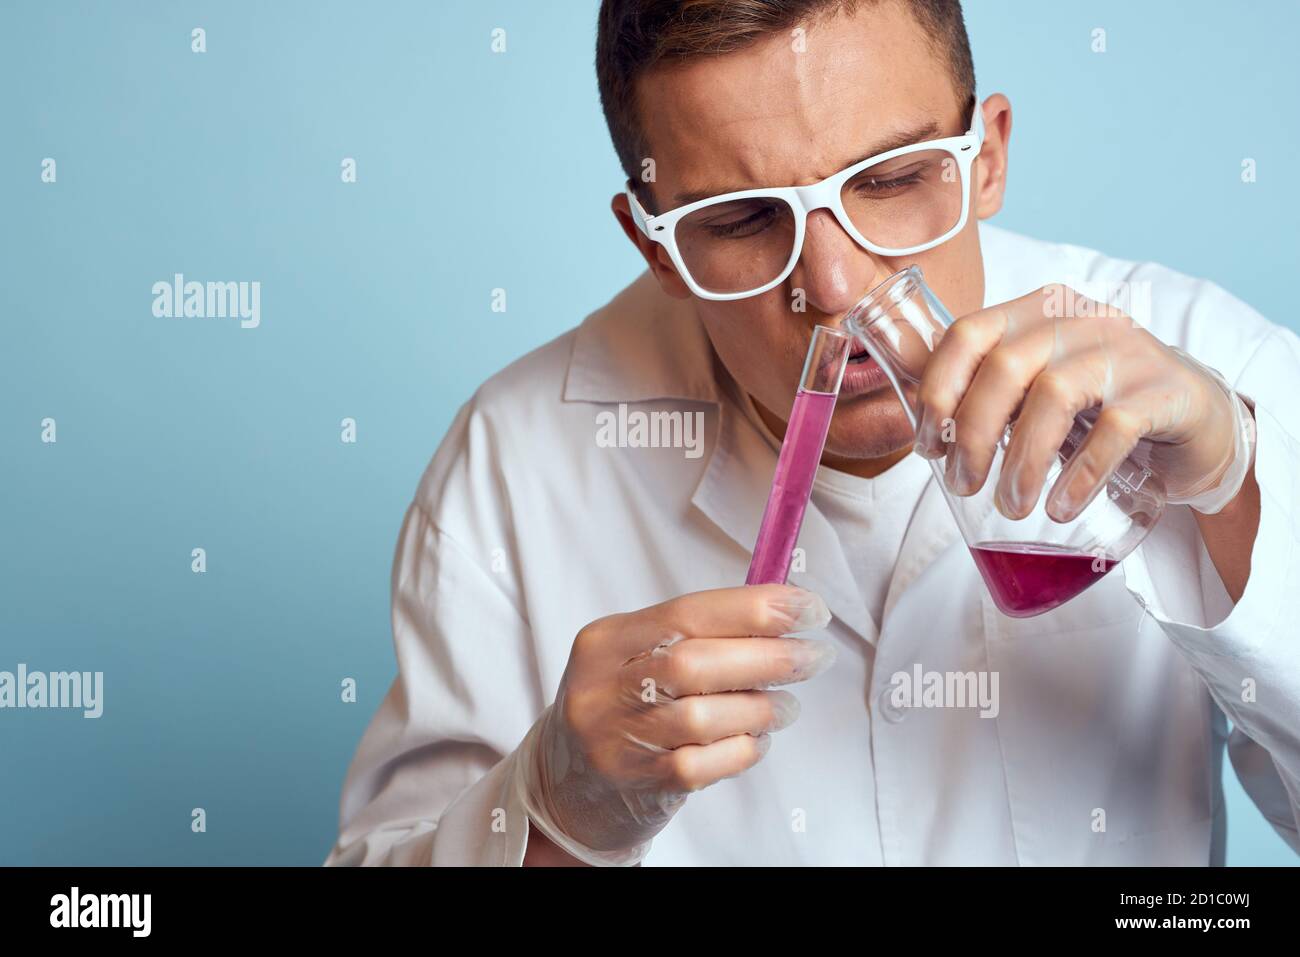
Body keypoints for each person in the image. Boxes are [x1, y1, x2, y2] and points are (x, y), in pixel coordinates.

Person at [324, 0, 1300, 866]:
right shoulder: (514, 460)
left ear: (988, 154)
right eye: (744, 218)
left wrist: (1241, 498)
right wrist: (551, 816)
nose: (832, 288)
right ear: (650, 244)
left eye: (888, 178)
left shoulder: (1198, 367)